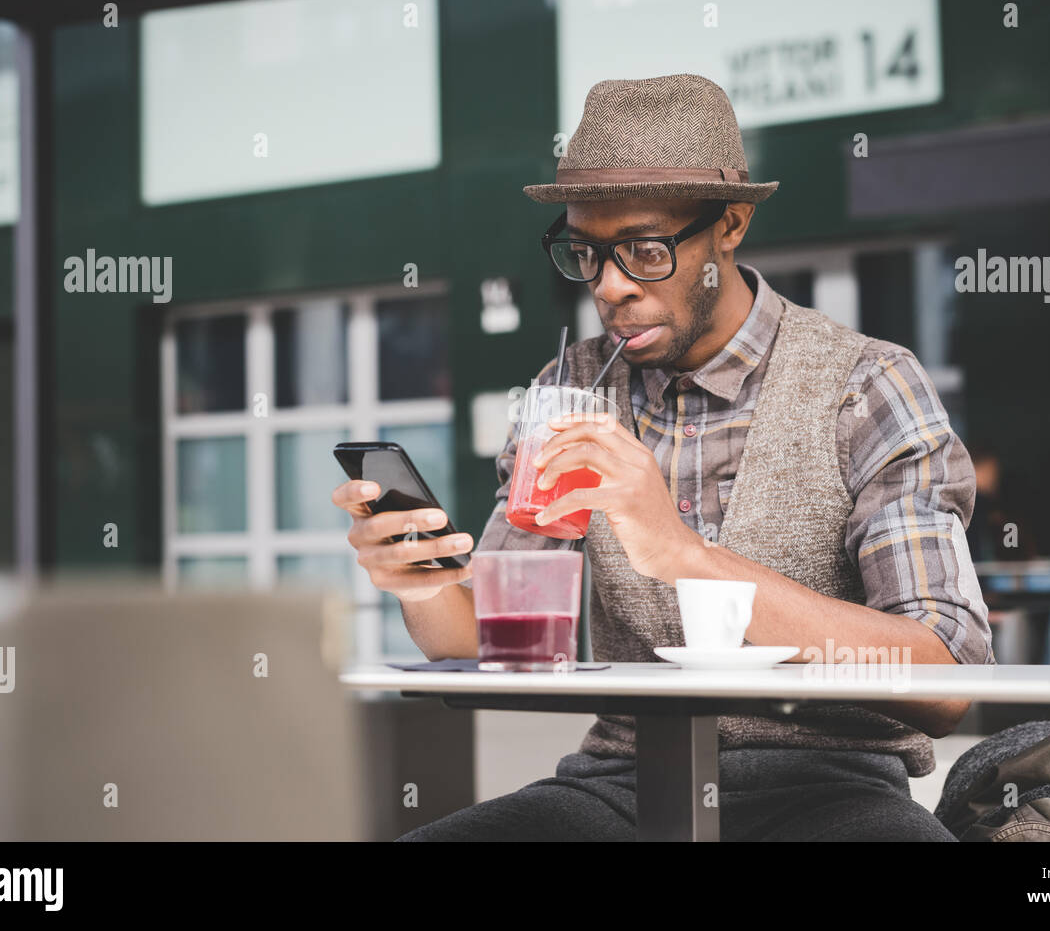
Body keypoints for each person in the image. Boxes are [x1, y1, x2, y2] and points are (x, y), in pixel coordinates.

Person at [333, 74, 994, 841]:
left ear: (731, 225)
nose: (609, 287)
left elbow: (945, 674)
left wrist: (684, 554)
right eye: (586, 252)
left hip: (831, 788)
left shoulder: (867, 386)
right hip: (622, 784)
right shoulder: (570, 391)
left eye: (644, 250)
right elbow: (477, 635)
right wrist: (416, 577)